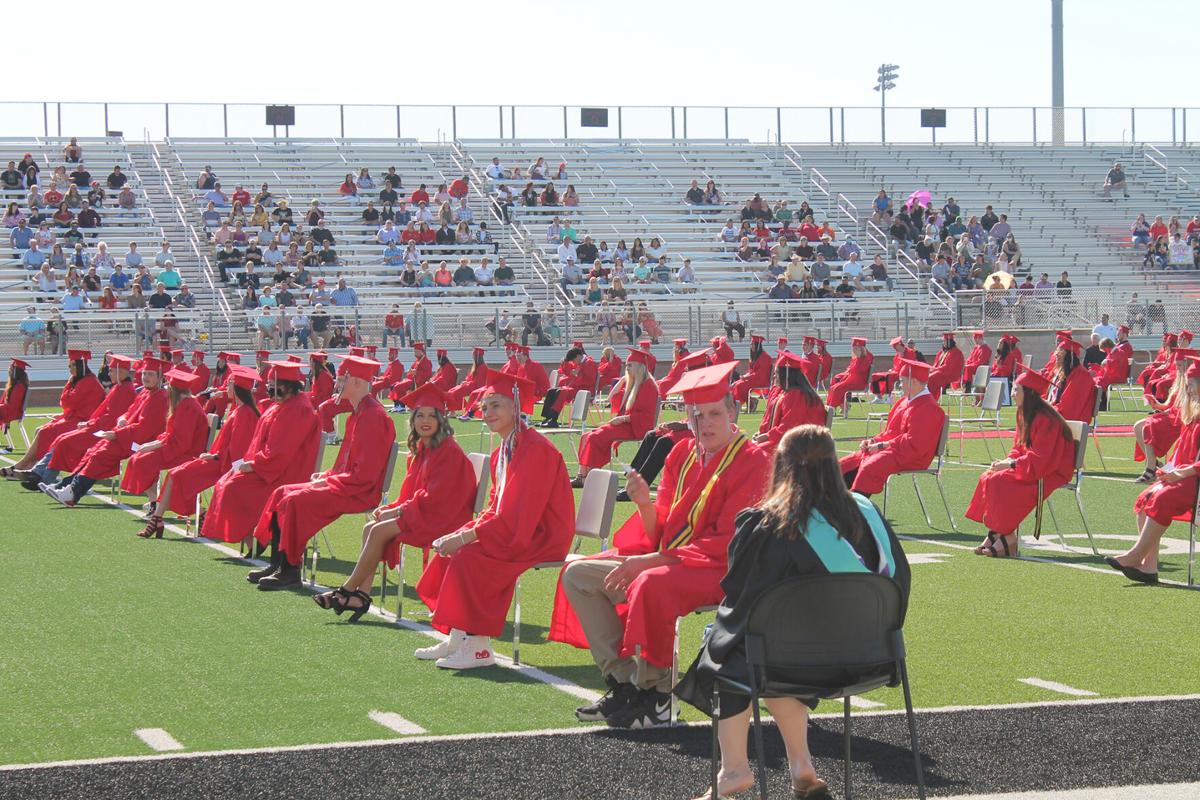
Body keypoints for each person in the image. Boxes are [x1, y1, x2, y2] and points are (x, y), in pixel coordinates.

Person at [675, 424, 910, 799]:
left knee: (734, 645)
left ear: (781, 466)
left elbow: (741, 597)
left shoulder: (770, 523)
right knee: (772, 648)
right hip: (872, 657)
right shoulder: (868, 515)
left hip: (793, 662)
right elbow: (899, 585)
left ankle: (734, 768)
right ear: (833, 465)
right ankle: (801, 768)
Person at [550, 363, 772, 729]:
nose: (705, 423)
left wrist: (649, 562)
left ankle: (658, 696)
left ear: (732, 412)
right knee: (579, 576)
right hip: (673, 558)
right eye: (696, 415)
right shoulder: (682, 454)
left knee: (649, 582)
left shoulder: (753, 461)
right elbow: (660, 531)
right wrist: (644, 504)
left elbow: (726, 544)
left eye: (714, 414)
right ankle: (624, 682)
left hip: (724, 568)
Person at [413, 371, 575, 669]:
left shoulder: (535, 450)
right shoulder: (505, 448)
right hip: (515, 525)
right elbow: (495, 507)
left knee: (470, 556)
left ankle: (479, 648)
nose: (488, 413)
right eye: (485, 407)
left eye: (496, 405)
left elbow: (517, 514)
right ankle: (457, 638)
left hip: (540, 533)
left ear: (516, 406)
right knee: (453, 550)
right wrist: (463, 532)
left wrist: (465, 537)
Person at [314, 383, 478, 620]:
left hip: (444, 519)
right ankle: (361, 595)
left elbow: (436, 498)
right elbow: (413, 492)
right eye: (420, 415)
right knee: (370, 527)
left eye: (432, 416)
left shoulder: (448, 451)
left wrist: (399, 511)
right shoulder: (424, 448)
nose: (425, 421)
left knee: (378, 530)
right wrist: (393, 508)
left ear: (442, 420)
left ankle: (346, 591)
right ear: (412, 420)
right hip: (424, 512)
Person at [250, 356, 397, 590]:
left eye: (341, 380)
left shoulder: (373, 417)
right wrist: (327, 475)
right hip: (347, 484)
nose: (336, 384)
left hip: (359, 491)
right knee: (281, 492)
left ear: (356, 382)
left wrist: (330, 481)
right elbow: (346, 465)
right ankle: (278, 563)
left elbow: (365, 475)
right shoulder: (359, 413)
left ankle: (290, 569)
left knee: (294, 500)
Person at [202, 361, 320, 549]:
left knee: (232, 487)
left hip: (285, 473)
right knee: (226, 481)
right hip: (270, 468)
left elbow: (281, 451)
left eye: (273, 385)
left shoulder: (298, 409)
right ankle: (253, 541)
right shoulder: (281, 405)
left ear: (287, 386)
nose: (269, 388)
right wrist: (247, 464)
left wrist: (253, 465)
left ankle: (255, 541)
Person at [966, 366, 1077, 558]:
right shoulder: (1023, 413)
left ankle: (1006, 536)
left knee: (1000, 481)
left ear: (1029, 393)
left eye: (1016, 389)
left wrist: (1010, 466)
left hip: (1051, 471)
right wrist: (1007, 461)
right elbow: (1019, 448)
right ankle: (998, 532)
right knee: (988, 476)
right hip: (1031, 466)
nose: (1012, 393)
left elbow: (1041, 459)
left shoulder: (1046, 420)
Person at [141, 365, 261, 534]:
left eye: (229, 384)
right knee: (175, 474)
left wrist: (214, 456)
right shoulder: (238, 410)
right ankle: (158, 519)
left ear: (236, 388)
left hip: (225, 465)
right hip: (217, 459)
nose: (226, 388)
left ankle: (160, 518)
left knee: (178, 475)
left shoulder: (245, 414)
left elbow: (238, 450)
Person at [41, 358, 171, 507]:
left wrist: (117, 434)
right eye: (144, 373)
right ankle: (68, 487)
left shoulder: (160, 398)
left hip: (141, 443)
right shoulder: (145, 393)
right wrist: (122, 419)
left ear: (160, 377)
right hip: (128, 436)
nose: (145, 377)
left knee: (101, 455)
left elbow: (146, 429)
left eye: (150, 374)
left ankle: (72, 493)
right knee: (94, 450)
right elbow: (128, 412)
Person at [839, 359, 946, 497]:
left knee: (870, 466)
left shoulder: (929, 408)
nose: (900, 385)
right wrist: (873, 441)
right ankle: (835, 502)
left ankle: (857, 506)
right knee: (847, 462)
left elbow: (915, 443)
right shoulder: (905, 401)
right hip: (896, 450)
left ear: (913, 381)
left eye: (902, 381)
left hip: (913, 456)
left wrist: (883, 445)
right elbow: (891, 432)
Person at [119, 369, 210, 525]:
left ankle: (158, 504)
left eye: (169, 387)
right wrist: (153, 444)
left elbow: (182, 440)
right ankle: (155, 502)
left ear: (174, 390)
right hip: (176, 447)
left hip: (187, 452)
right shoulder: (183, 403)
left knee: (141, 461)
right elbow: (171, 434)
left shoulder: (188, 405)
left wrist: (155, 445)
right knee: (137, 458)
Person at [1, 350, 104, 475]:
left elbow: (66, 402)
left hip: (84, 421)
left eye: (72, 365)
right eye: (69, 366)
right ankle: (33, 466)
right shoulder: (79, 380)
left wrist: (69, 386)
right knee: (39, 430)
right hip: (75, 418)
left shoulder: (88, 381)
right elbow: (66, 401)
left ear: (80, 365)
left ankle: (23, 465)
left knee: (45, 432)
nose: (70, 369)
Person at [573, 350, 659, 486]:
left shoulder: (649, 386)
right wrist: (623, 382)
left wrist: (624, 419)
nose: (626, 368)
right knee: (586, 436)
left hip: (636, 427)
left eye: (630, 365)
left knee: (595, 437)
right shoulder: (634, 384)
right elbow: (613, 398)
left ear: (639, 366)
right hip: (626, 424)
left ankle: (588, 476)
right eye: (626, 365)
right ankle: (582, 475)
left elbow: (646, 415)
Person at [752, 353, 828, 448]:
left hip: (801, 446)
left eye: (777, 373)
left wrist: (767, 436)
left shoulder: (797, 395)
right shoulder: (790, 392)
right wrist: (762, 432)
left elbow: (789, 426)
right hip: (792, 441)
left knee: (753, 452)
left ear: (787, 375)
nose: (774, 377)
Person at [539, 346, 598, 428]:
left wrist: (576, 375)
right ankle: (547, 417)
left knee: (563, 391)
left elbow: (589, 381)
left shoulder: (589, 363)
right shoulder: (581, 362)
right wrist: (574, 374)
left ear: (578, 356)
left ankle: (553, 419)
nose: (573, 362)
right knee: (552, 391)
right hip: (577, 388)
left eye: (573, 360)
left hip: (585, 390)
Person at [1048, 339, 1097, 423]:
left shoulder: (1081, 375)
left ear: (1070, 356)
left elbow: (1068, 405)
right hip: (1061, 413)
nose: (1056, 354)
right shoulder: (1065, 372)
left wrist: (1048, 409)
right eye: (1057, 351)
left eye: (1061, 351)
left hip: (1071, 419)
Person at [826, 337, 873, 410]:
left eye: (856, 348)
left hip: (858, 382)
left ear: (861, 349)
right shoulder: (857, 358)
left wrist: (857, 359)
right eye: (853, 348)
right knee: (834, 386)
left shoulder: (865, 359)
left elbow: (856, 370)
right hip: (852, 380)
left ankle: (832, 408)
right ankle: (835, 406)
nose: (853, 350)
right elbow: (850, 369)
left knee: (836, 389)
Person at [869, 336, 915, 402]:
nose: (895, 348)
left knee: (888, 376)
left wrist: (903, 357)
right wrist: (892, 369)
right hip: (895, 372)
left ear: (900, 344)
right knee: (875, 376)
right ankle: (879, 397)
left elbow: (910, 365)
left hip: (904, 373)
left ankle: (889, 397)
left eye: (895, 346)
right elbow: (895, 365)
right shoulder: (897, 354)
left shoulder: (910, 352)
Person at [730, 335, 771, 406]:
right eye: (751, 344)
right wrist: (745, 376)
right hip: (754, 379)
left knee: (740, 385)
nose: (751, 346)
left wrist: (747, 377)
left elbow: (761, 374)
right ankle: (748, 402)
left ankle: (749, 403)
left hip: (761, 380)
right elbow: (751, 371)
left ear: (757, 346)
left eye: (753, 344)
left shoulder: (765, 357)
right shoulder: (755, 357)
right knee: (734, 384)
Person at [927, 332, 965, 401]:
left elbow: (948, 368)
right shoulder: (941, 352)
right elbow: (935, 364)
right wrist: (931, 370)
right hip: (942, 373)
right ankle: (929, 399)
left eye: (945, 341)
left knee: (931, 378)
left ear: (950, 342)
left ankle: (931, 399)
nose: (943, 343)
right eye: (943, 341)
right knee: (927, 377)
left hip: (950, 375)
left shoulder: (956, 352)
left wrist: (935, 370)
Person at [0, 358, 31, 438]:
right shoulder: (18, 385)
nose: (9, 372)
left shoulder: (19, 387)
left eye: (11, 369)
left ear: (15, 372)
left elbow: (12, 407)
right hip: (12, 411)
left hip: (12, 412)